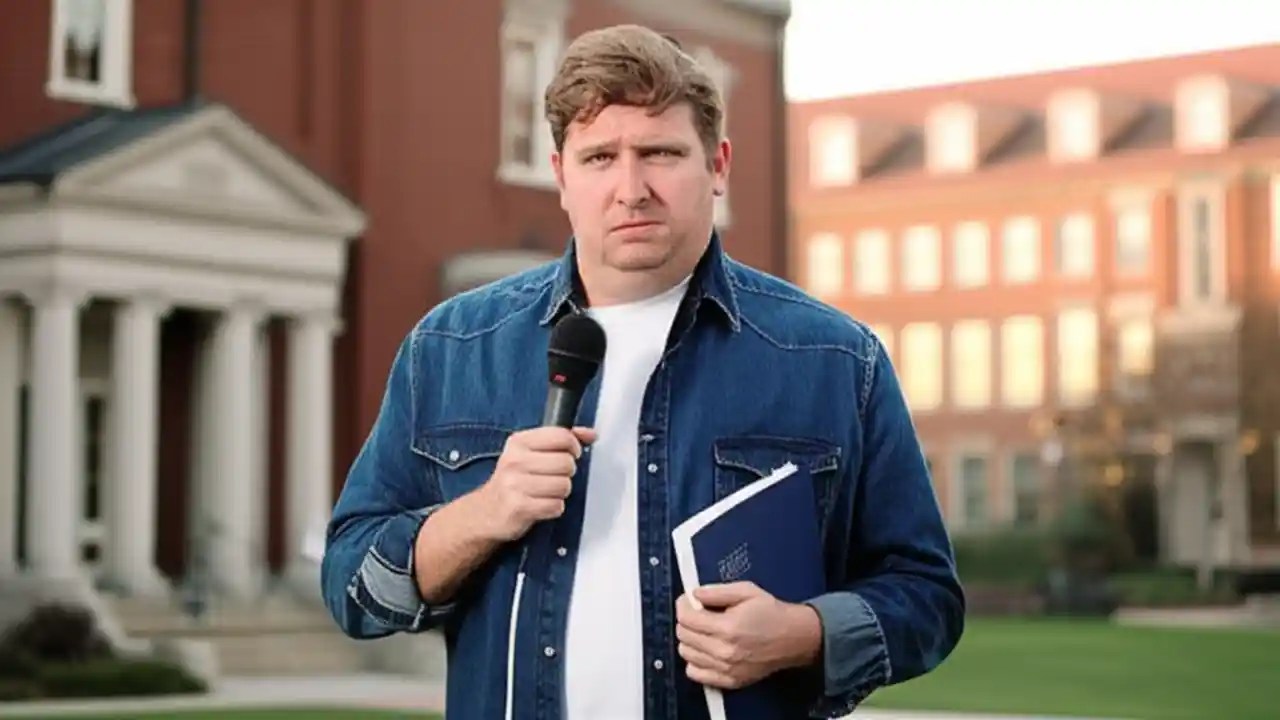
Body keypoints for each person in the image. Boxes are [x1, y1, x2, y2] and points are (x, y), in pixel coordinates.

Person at [321, 23, 963, 720]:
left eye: (660, 153)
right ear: (561, 176)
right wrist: (483, 513)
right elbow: (353, 588)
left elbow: (926, 594)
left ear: (717, 166)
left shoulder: (835, 361)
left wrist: (802, 635)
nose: (631, 189)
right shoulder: (451, 349)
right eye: (600, 157)